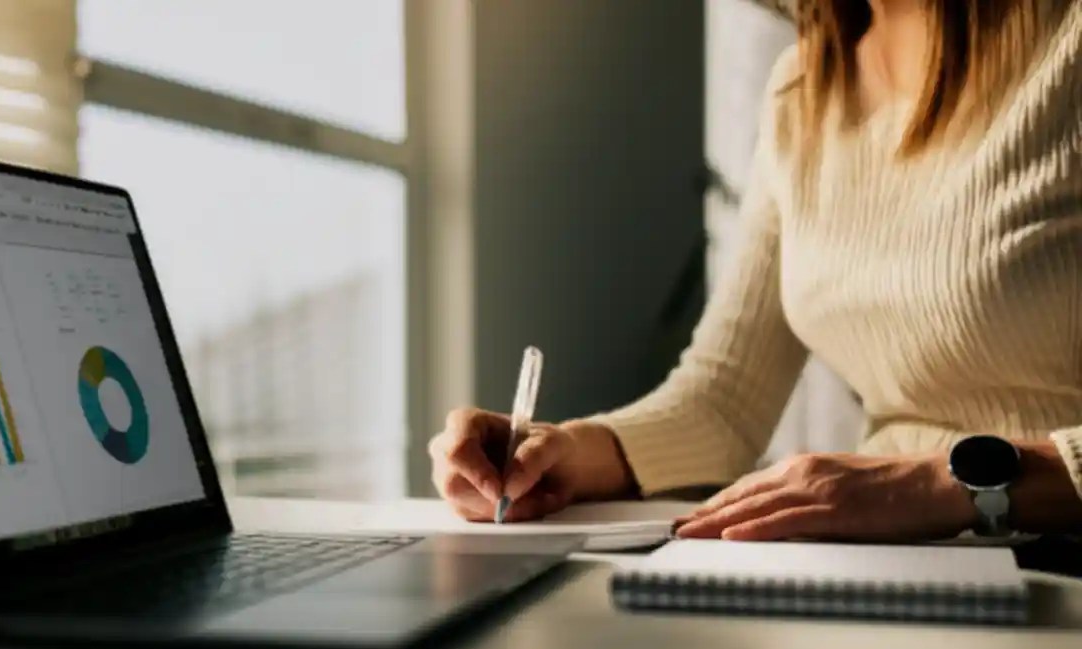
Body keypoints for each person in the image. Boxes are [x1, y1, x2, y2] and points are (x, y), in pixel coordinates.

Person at [429, 0, 1082, 541]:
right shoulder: (802, 89)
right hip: (892, 565)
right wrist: (562, 453)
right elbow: (724, 402)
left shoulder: (1066, 46)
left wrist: (947, 484)